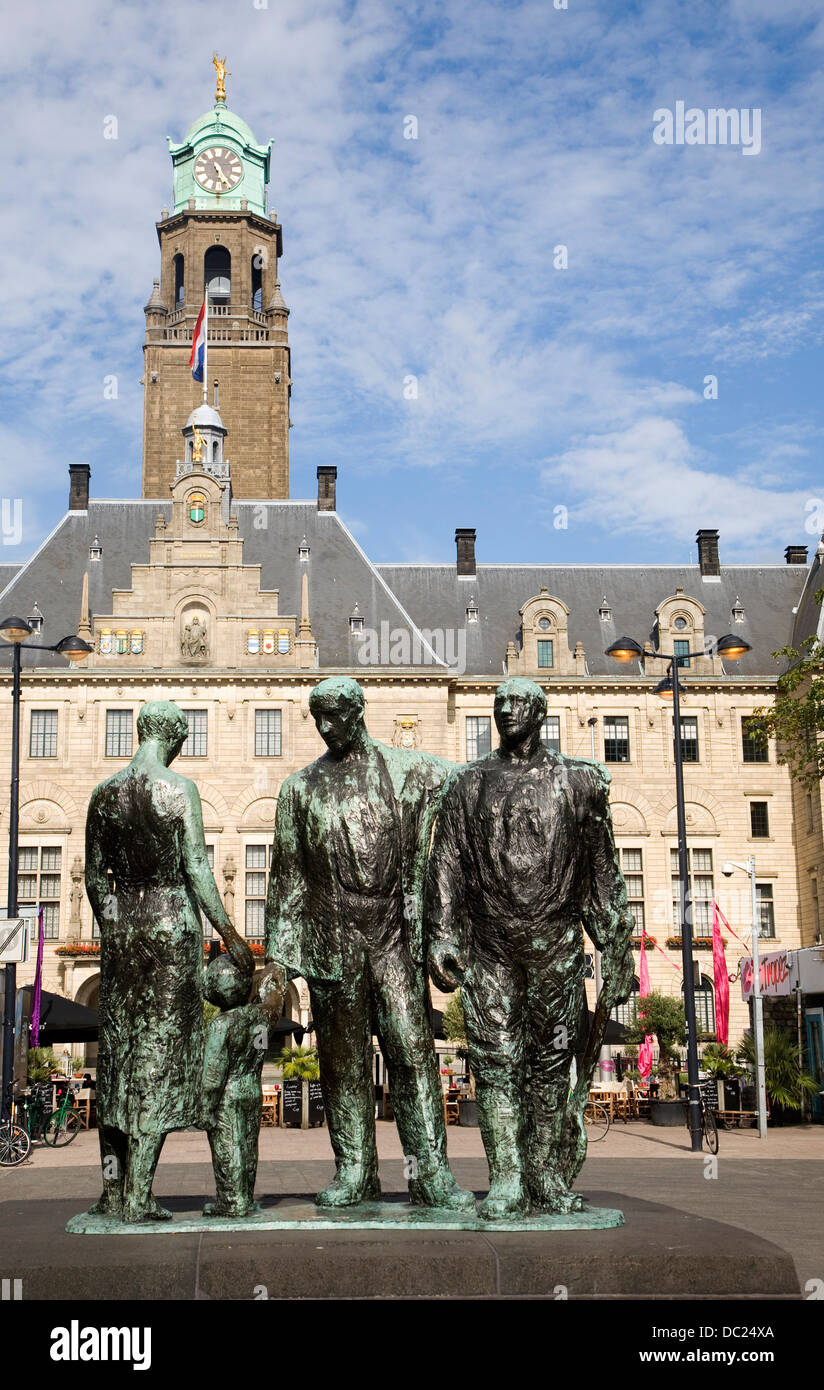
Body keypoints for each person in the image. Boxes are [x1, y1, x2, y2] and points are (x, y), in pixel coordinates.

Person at [424, 677, 634, 1218]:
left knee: (548, 1062)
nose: (506, 711)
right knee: (495, 1064)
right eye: (499, 704)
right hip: (490, 949)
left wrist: (614, 942)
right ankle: (508, 1181)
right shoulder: (467, 784)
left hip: (556, 949)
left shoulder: (579, 782)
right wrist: (443, 934)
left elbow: (601, 872)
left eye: (518, 703)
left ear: (541, 713)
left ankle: (545, 1177)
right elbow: (445, 865)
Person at [265, 676, 474, 1211]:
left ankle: (430, 1173)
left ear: (359, 713)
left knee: (411, 1050)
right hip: (332, 944)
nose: (326, 727)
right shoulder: (299, 789)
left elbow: (477, 782)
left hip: (393, 941)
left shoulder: (409, 771)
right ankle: (355, 1171)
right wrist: (279, 959)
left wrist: (567, 768)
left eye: (335, 716)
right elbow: (287, 879)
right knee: (343, 1063)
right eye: (319, 719)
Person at [85, 700, 253, 1223]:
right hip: (170, 928)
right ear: (177, 738)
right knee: (157, 1060)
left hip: (122, 933)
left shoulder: (103, 794)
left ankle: (111, 1193)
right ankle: (138, 1197)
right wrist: (233, 936)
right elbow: (199, 870)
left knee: (117, 1057)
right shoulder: (179, 790)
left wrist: (112, 924)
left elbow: (93, 878)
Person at [201, 957, 284, 1218]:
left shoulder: (220, 1024)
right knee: (249, 1146)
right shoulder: (261, 1016)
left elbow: (213, 1075)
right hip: (252, 1088)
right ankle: (245, 1196)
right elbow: (275, 999)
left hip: (228, 1092)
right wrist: (271, 970)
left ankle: (230, 1201)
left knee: (228, 1146)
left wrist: (205, 1108)